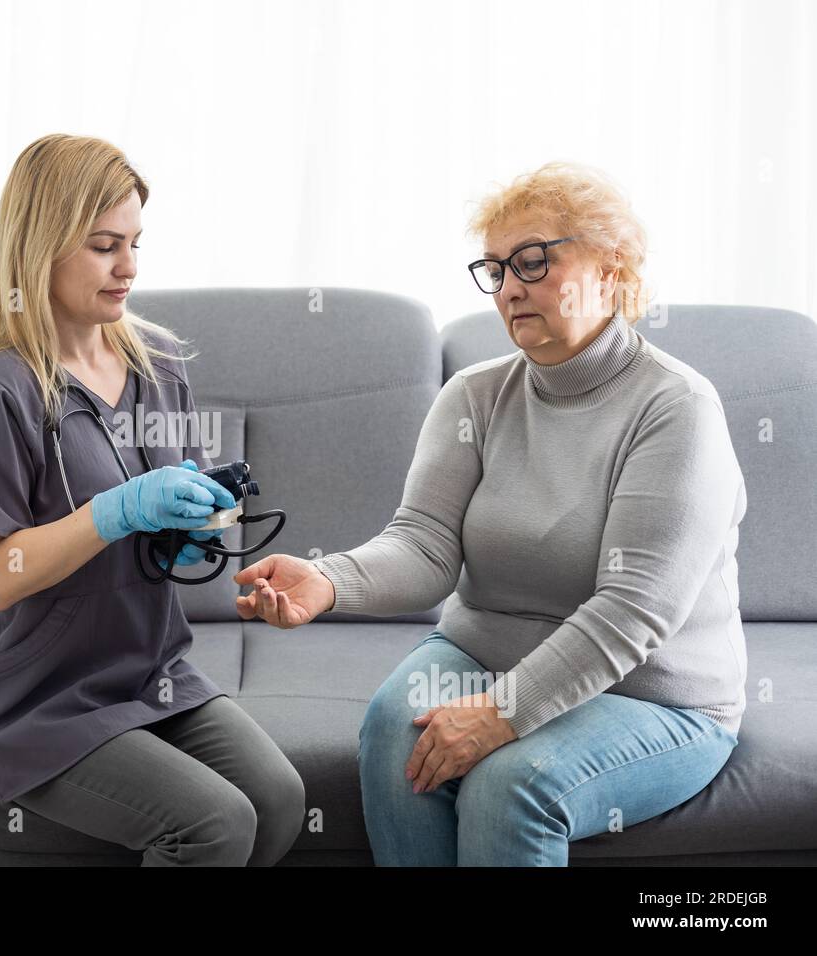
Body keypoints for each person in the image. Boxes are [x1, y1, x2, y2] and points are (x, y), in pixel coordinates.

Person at [234, 161, 747, 866]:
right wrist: (329, 582)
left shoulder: (675, 409)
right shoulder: (474, 397)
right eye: (496, 268)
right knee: (395, 726)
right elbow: (424, 547)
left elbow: (633, 610)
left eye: (534, 261)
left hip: (652, 696)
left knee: (512, 783)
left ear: (612, 264)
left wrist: (502, 713)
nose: (509, 289)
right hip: (483, 652)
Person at [0, 133, 305, 866]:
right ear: (42, 247)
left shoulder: (156, 359)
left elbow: (173, 507)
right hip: (40, 698)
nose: (129, 267)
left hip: (150, 673)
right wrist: (116, 511)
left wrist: (194, 530)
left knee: (281, 797)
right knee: (215, 824)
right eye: (105, 245)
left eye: (135, 242)